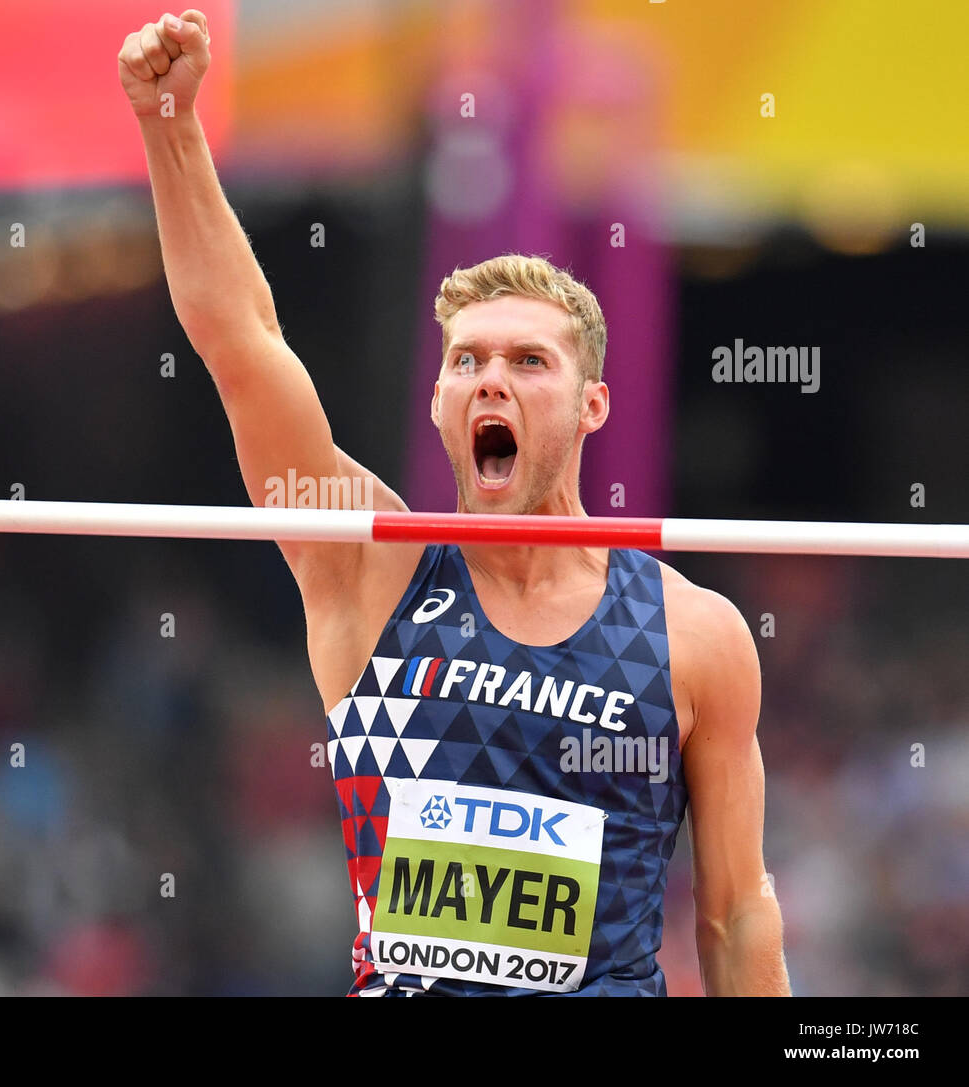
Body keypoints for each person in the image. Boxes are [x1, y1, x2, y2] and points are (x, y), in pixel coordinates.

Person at [119, 9, 791, 996]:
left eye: (529, 361)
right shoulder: (368, 570)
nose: (490, 381)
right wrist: (172, 126)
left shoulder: (696, 636)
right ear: (437, 400)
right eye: (466, 361)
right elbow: (241, 341)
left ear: (593, 405)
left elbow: (735, 915)